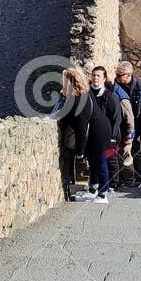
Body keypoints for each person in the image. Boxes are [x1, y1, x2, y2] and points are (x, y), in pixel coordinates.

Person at [86, 65, 125, 203]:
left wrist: (113, 138)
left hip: (107, 135)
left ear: (104, 78)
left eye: (98, 76)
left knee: (104, 162)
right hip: (91, 135)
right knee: (93, 161)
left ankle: (106, 190)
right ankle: (94, 188)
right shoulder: (88, 94)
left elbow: (116, 118)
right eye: (94, 75)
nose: (95, 78)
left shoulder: (110, 96)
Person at [56, 66, 94, 201]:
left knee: (70, 165)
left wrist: (80, 151)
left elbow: (80, 128)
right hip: (79, 139)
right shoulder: (85, 96)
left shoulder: (75, 101)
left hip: (74, 141)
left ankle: (71, 192)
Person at [115, 61, 141, 188]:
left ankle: (137, 178)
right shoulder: (116, 86)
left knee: (135, 151)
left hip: (137, 124)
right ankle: (121, 178)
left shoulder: (140, 87)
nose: (118, 78)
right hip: (121, 124)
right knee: (119, 150)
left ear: (128, 75)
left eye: (121, 76)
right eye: (117, 75)